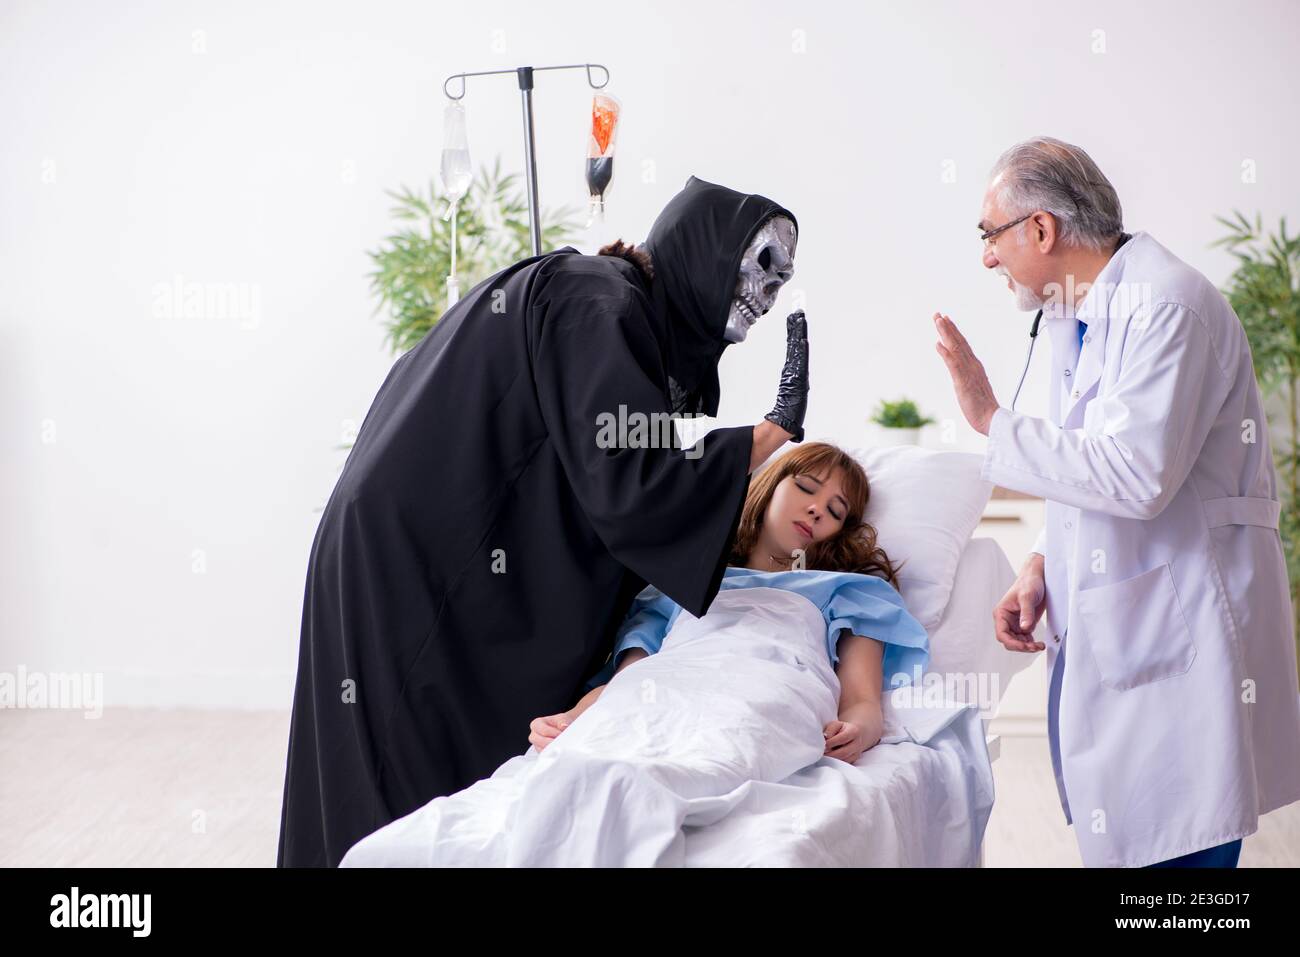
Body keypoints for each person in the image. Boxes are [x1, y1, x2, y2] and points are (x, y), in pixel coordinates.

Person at [277, 176, 809, 867]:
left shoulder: (602, 299)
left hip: (404, 550)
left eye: (781, 281)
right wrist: (769, 434)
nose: (767, 295)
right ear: (703, 252)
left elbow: (598, 463)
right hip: (412, 569)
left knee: (410, 789)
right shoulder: (600, 301)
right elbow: (632, 482)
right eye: (761, 264)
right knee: (399, 787)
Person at [934, 135, 1300, 868]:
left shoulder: (1167, 306)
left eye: (990, 235)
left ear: (1041, 229)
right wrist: (1041, 560)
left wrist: (989, 418)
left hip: (1186, 628)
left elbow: (1136, 474)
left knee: (1182, 871)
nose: (988, 258)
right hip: (1141, 619)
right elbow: (1090, 463)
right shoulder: (1080, 317)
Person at [338, 442, 928, 867]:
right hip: (668, 685)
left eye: (836, 510)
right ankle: (594, 792)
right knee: (595, 753)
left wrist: (859, 729)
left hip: (767, 686)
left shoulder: (847, 591)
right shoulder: (681, 583)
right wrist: (573, 718)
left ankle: (618, 797)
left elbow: (862, 698)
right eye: (806, 488)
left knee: (655, 773)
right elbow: (632, 676)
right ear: (770, 483)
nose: (818, 510)